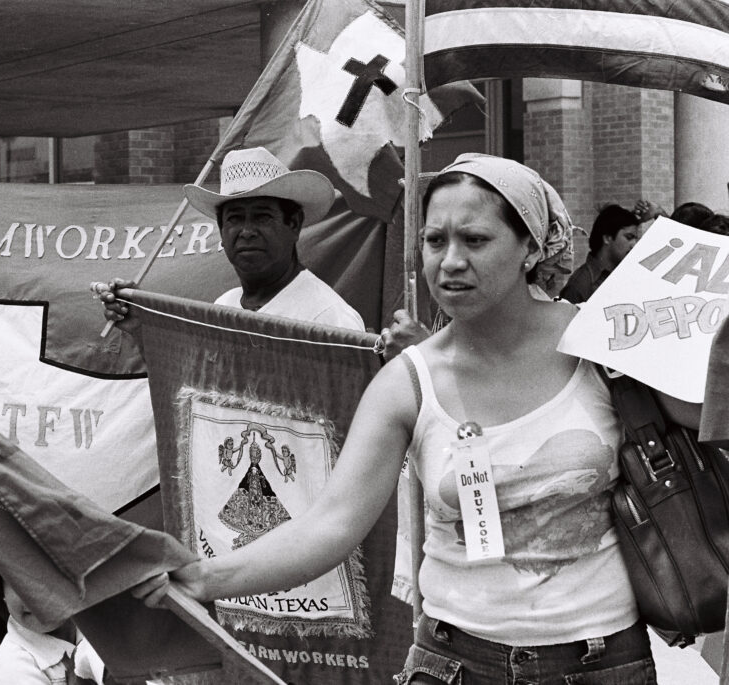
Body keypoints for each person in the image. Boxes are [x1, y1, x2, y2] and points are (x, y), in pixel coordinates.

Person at [133, 154, 675, 684]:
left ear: (530, 248)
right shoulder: (406, 381)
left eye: (476, 240)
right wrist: (202, 578)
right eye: (435, 240)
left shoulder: (608, 345)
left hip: (603, 661)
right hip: (452, 662)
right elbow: (332, 525)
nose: (451, 260)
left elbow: (705, 439)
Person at [98, 146, 428, 350]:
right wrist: (142, 327)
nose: (247, 231)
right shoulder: (223, 308)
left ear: (294, 224)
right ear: (221, 232)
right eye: (235, 219)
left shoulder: (330, 318)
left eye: (262, 217)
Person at [0, 561, 104, 685]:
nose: (33, 598)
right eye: (18, 583)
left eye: (47, 579)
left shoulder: (96, 624)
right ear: (2, 591)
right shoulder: (14, 666)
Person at [559, 204, 640, 304]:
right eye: (629, 237)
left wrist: (659, 213)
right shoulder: (580, 285)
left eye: (636, 239)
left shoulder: (628, 275)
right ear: (607, 238)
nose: (634, 245)